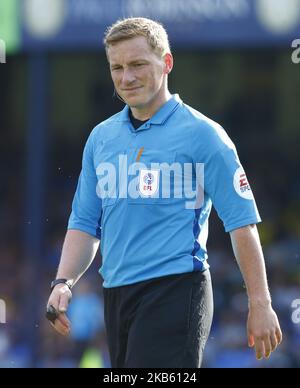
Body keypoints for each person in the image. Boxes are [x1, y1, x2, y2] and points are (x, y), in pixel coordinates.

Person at [47, 17, 282, 368]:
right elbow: (84, 222)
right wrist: (63, 282)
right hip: (117, 296)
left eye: (138, 64)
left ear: (167, 63)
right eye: (117, 67)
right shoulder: (101, 139)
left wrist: (260, 303)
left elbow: (242, 224)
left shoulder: (205, 135)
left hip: (176, 291)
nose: (126, 78)